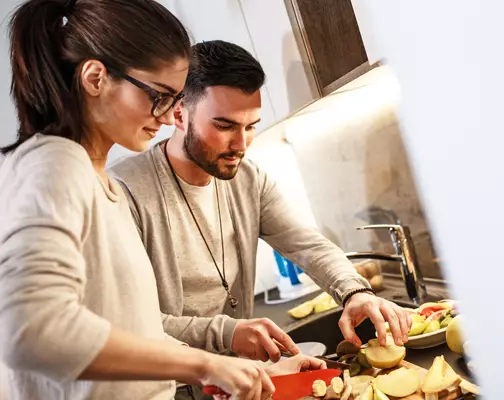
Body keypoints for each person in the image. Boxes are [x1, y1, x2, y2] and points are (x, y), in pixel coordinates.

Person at [0, 1, 323, 400]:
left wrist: (242, 368)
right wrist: (205, 363)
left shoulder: (103, 185)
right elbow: (30, 332)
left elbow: (136, 333)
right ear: (96, 77)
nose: (170, 115)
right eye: (160, 96)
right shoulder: (56, 162)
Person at [109, 40, 412, 365]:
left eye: (251, 126)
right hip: (168, 383)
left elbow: (308, 245)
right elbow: (131, 324)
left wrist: (355, 292)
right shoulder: (122, 193)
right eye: (224, 126)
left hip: (236, 375)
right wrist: (228, 334)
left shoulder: (249, 180)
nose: (240, 144)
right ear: (179, 114)